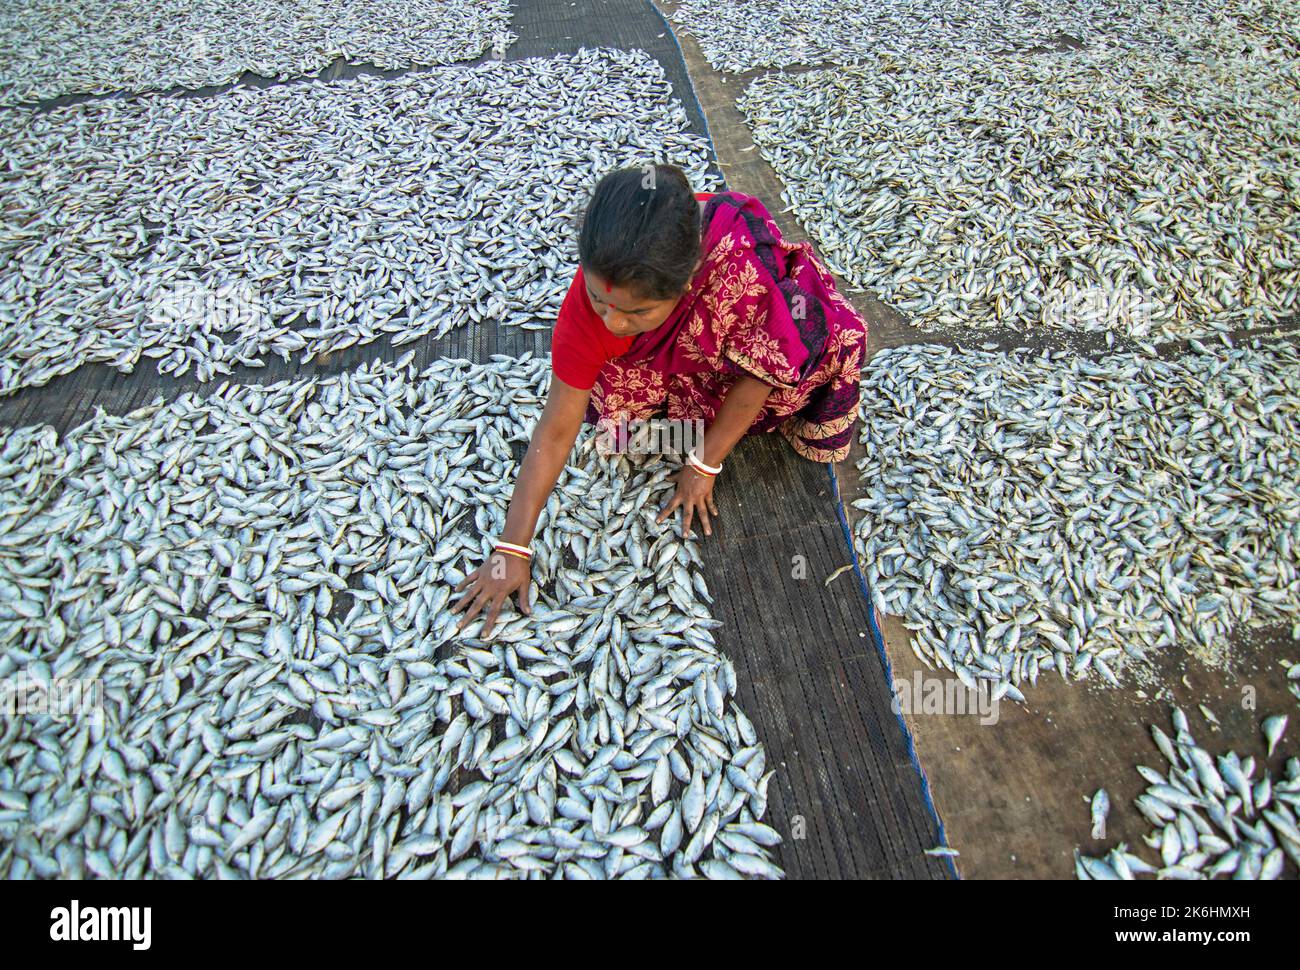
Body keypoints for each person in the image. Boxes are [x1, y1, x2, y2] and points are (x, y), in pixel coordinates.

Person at [450, 162, 867, 635]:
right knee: (613, 410)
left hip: (747, 339)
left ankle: (714, 398)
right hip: (699, 345)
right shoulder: (589, 312)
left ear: (690, 279)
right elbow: (558, 425)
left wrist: (703, 466)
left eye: (636, 311)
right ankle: (689, 379)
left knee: (823, 350)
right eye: (599, 299)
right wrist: (512, 548)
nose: (612, 321)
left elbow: (763, 368)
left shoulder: (735, 271)